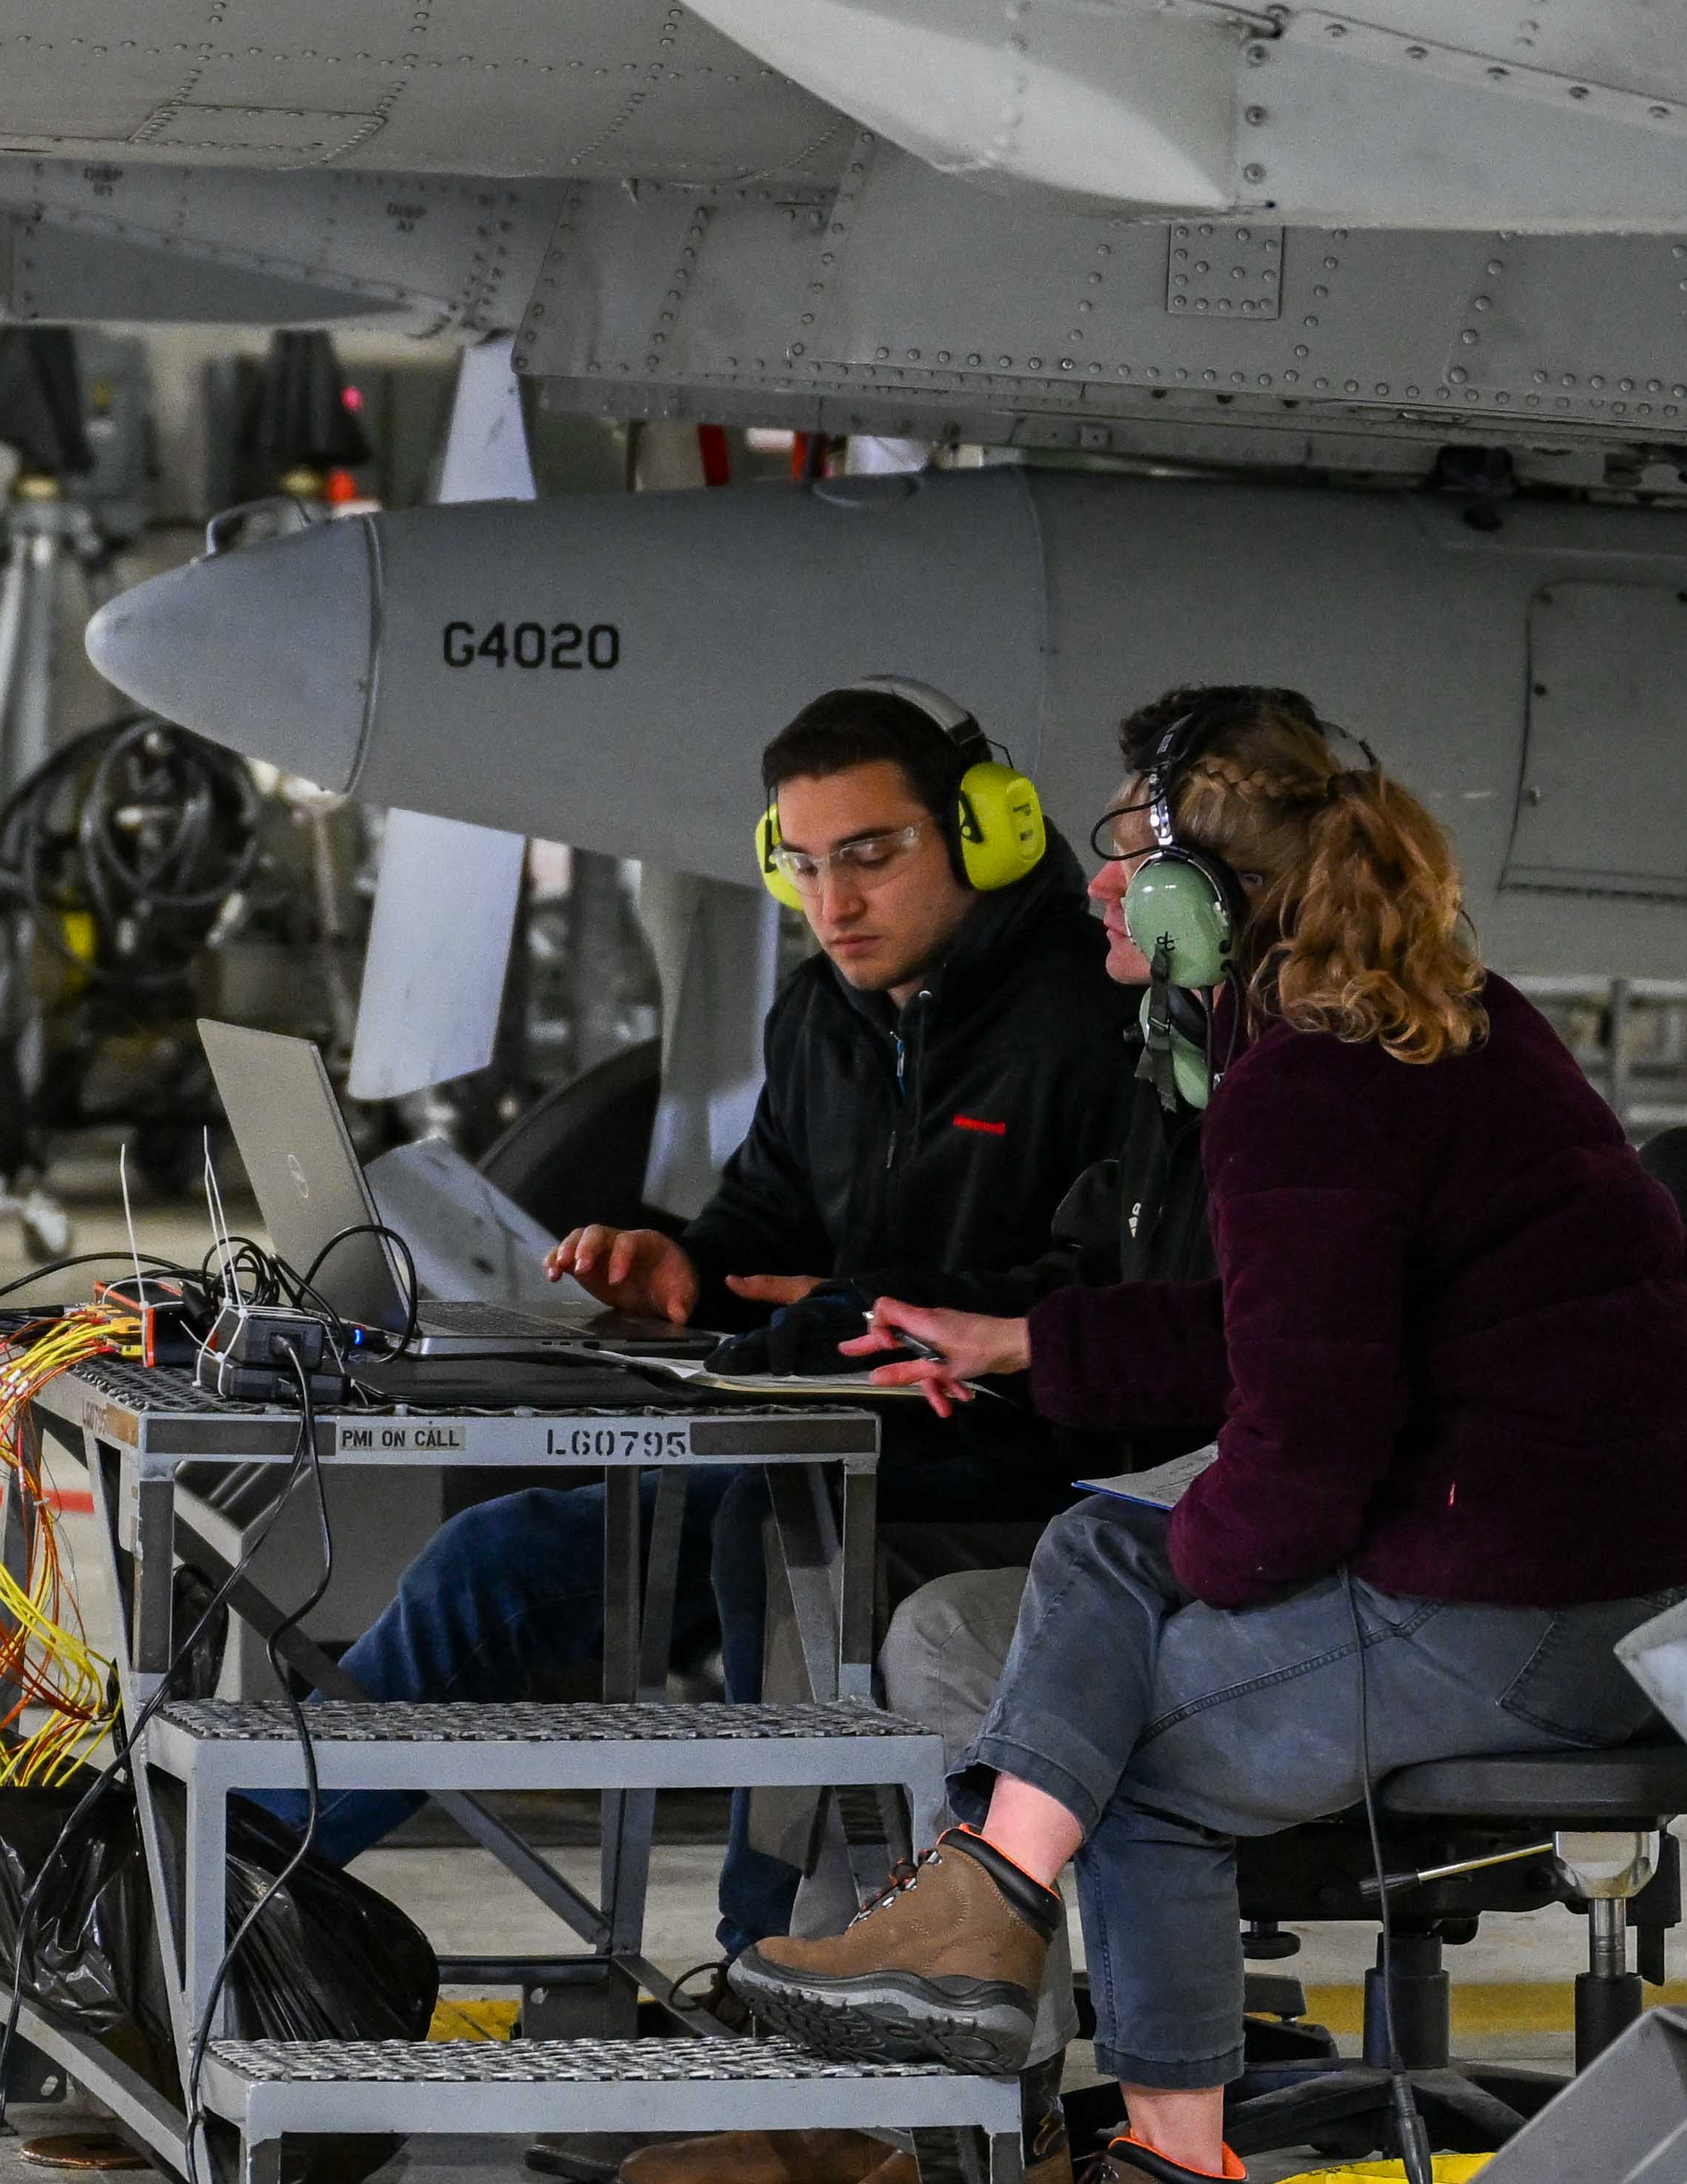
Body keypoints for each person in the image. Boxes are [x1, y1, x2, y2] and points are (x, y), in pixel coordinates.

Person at [727, 684, 1687, 2184]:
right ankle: (990, 1910)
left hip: (1514, 1621)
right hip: (1598, 1586)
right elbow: (1292, 1324)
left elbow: (1296, 1460)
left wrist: (1169, 1623)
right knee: (1096, 1554)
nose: (1101, 886)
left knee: (1126, 1756)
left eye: (1130, 853)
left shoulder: (1301, 1088)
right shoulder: (1428, 1024)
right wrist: (1024, 1342)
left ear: (1209, 896)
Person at [285, 681, 1134, 1965]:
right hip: (815, 1449)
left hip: (1009, 1464)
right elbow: (766, 1217)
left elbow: (1107, 1300)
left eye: (869, 856)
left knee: (764, 1538)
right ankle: (217, 1885)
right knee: (495, 1560)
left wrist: (858, 1311)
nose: (832, 903)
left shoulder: (1088, 1021)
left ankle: (762, 1969)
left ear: (982, 833)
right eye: (800, 866)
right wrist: (677, 1261)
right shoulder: (823, 1018)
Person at [648, 691, 1232, 2184]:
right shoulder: (1176, 1059)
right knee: (823, 1566)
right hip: (1047, 1472)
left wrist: (982, 1335)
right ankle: (859, 2068)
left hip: (1120, 1496)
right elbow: (1146, 1303)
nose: (1100, 888)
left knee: (907, 1609)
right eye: (806, 866)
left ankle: (937, 2109)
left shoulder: (1189, 1059)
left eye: (1138, 861)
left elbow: (1220, 1365)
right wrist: (705, 1274)